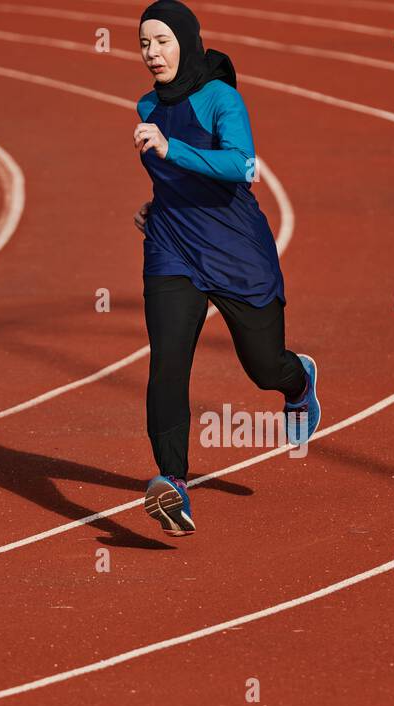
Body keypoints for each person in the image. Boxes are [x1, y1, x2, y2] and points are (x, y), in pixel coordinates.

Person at [133, 0, 320, 537]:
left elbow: (243, 165)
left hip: (236, 251)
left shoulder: (221, 98)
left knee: (263, 367)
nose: (152, 53)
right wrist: (156, 203)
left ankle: (297, 380)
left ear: (187, 41)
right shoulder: (146, 104)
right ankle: (172, 481)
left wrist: (170, 151)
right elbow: (171, 173)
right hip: (172, 249)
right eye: (145, 43)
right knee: (167, 363)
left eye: (163, 41)